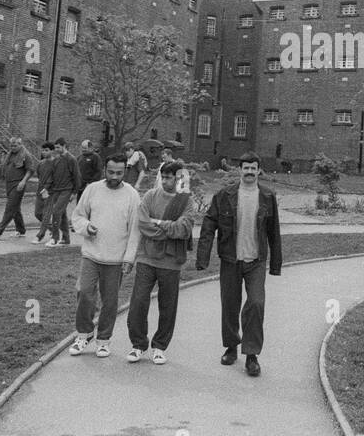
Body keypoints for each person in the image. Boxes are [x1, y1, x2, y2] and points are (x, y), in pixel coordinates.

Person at [196, 151, 282, 378]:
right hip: (231, 259)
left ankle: (252, 355)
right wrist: (202, 257)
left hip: (256, 261)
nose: (250, 172)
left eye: (254, 168)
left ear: (259, 170)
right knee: (230, 304)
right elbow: (208, 224)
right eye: (246, 168)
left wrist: (275, 264)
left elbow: (274, 232)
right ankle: (231, 347)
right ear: (240, 170)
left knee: (256, 303)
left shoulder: (267, 196)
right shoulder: (225, 195)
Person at [68, 156, 142, 358]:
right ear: (104, 170)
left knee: (110, 301)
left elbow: (135, 230)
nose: (114, 177)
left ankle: (103, 339)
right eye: (111, 172)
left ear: (124, 171)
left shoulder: (132, 195)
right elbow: (78, 216)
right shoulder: (93, 189)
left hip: (115, 259)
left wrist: (129, 258)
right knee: (84, 293)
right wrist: (86, 227)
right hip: (91, 254)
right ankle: (84, 334)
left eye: (119, 173)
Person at [126, 160, 198, 364]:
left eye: (169, 177)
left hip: (171, 262)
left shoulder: (186, 201)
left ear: (178, 178)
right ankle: (138, 344)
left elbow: (184, 229)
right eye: (163, 176)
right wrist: (167, 229)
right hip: (147, 258)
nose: (164, 181)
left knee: (168, 306)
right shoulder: (150, 196)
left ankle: (159, 346)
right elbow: (142, 223)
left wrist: (158, 223)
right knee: (138, 301)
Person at [0, 135, 36, 239]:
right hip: (9, 184)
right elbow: (2, 165)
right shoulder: (10, 154)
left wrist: (23, 181)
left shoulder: (26, 155)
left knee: (10, 207)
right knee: (15, 208)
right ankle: (21, 230)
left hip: (18, 184)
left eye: (14, 146)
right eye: (11, 145)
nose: (12, 147)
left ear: (20, 144)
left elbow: (30, 170)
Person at [44, 136, 81, 246]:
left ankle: (55, 238)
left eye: (58, 147)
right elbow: (52, 176)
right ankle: (66, 239)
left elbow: (76, 176)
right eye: (55, 147)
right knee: (62, 215)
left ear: (64, 146)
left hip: (66, 190)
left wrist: (74, 192)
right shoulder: (56, 159)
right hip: (57, 190)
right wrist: (47, 188)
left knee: (56, 212)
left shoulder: (71, 159)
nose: (56, 149)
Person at [32, 142, 56, 243]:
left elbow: (54, 178)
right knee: (38, 213)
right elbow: (39, 175)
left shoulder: (56, 163)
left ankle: (40, 235)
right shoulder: (41, 163)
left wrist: (47, 187)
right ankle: (53, 229)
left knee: (46, 214)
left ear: (52, 151)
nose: (44, 152)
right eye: (43, 150)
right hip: (40, 191)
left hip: (50, 192)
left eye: (47, 150)